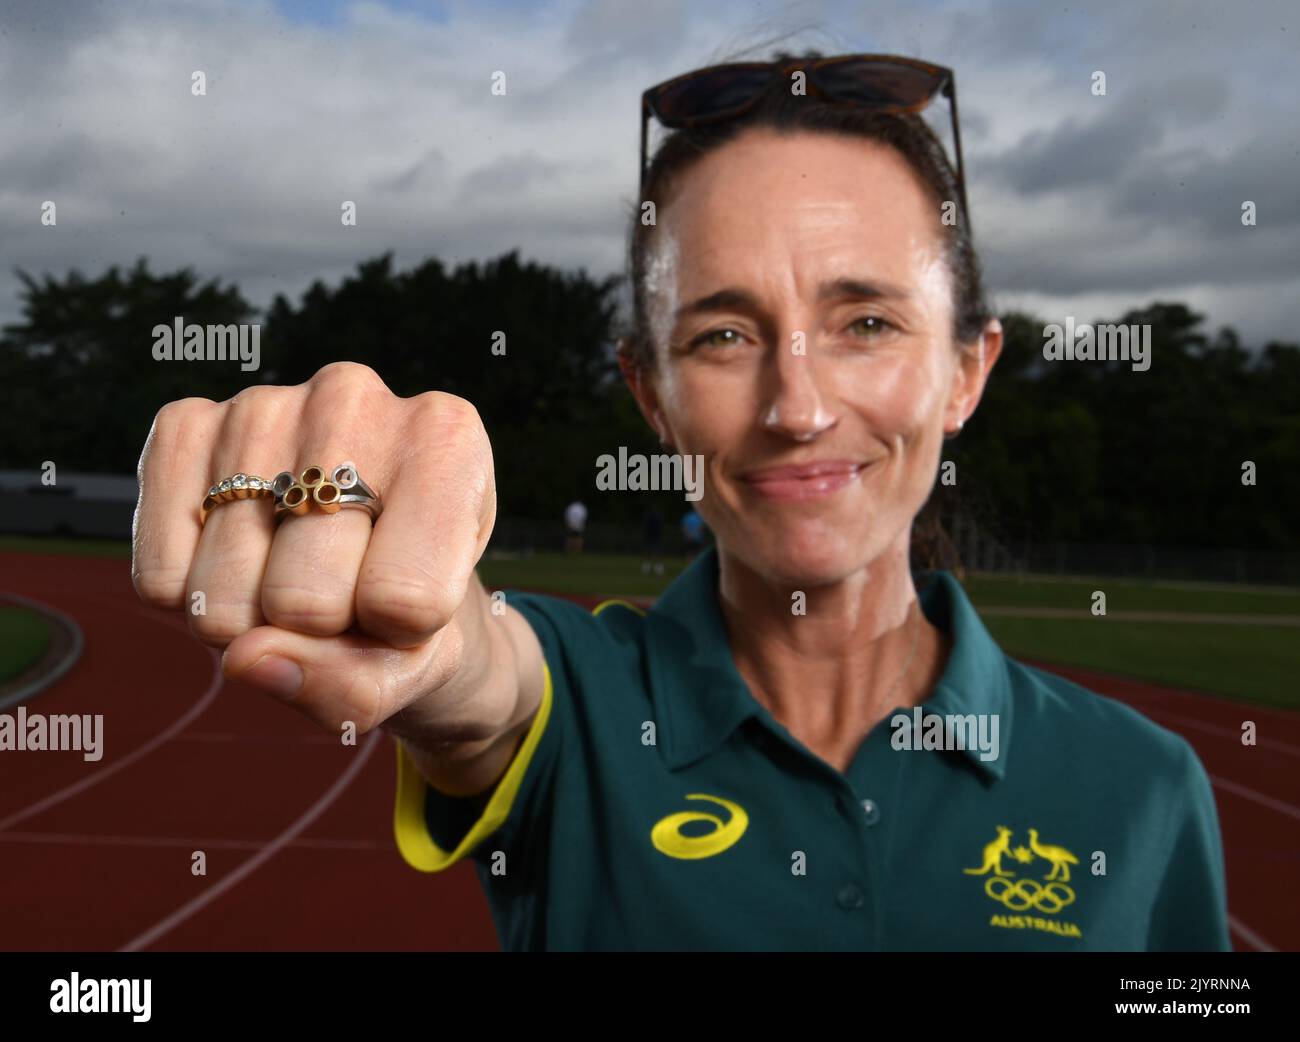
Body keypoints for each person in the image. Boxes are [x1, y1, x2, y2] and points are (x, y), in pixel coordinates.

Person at [131, 48, 1229, 951]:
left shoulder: (1141, 785)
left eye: (866, 323)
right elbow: (487, 678)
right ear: (649, 394)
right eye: (722, 335)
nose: (796, 408)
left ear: (966, 370)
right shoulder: (571, 706)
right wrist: (420, 622)